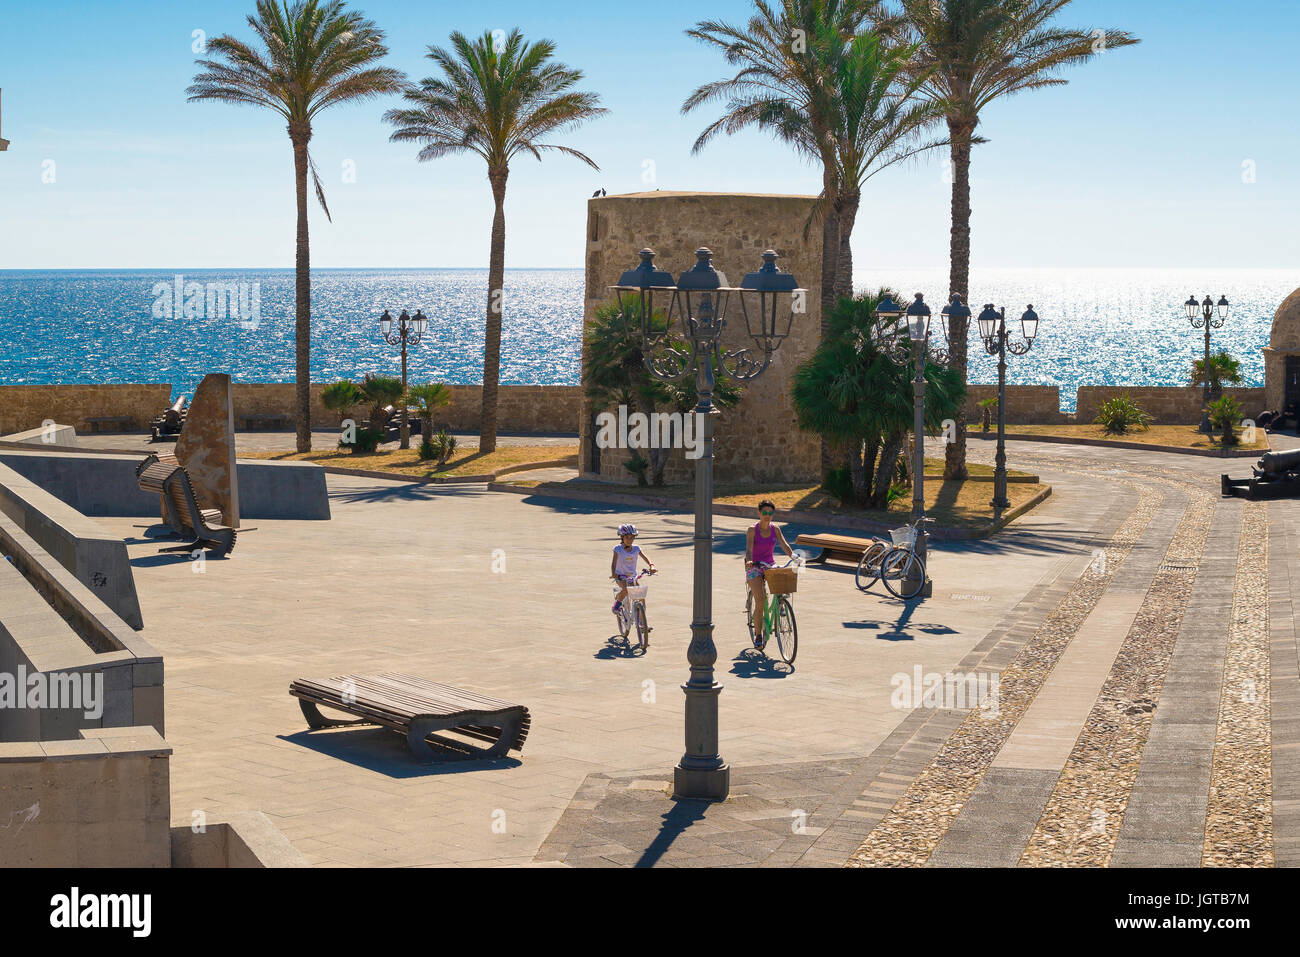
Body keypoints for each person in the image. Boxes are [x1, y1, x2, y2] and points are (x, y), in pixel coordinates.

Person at [745, 500, 793, 648]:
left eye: (770, 513)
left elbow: (784, 545)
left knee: (783, 576)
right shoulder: (752, 530)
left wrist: (794, 556)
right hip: (754, 566)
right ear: (759, 513)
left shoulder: (775, 529)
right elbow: (748, 550)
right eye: (764, 513)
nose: (767, 515)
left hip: (769, 564)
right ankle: (759, 635)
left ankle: (780, 604)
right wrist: (749, 561)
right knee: (760, 601)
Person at [611, 523, 655, 615]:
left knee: (641, 595)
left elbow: (645, 557)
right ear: (622, 538)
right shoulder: (617, 549)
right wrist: (614, 573)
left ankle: (642, 621)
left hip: (632, 576)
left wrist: (651, 566)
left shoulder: (636, 548)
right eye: (627, 537)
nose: (630, 540)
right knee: (626, 590)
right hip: (620, 576)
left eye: (632, 538)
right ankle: (617, 604)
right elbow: (614, 562)